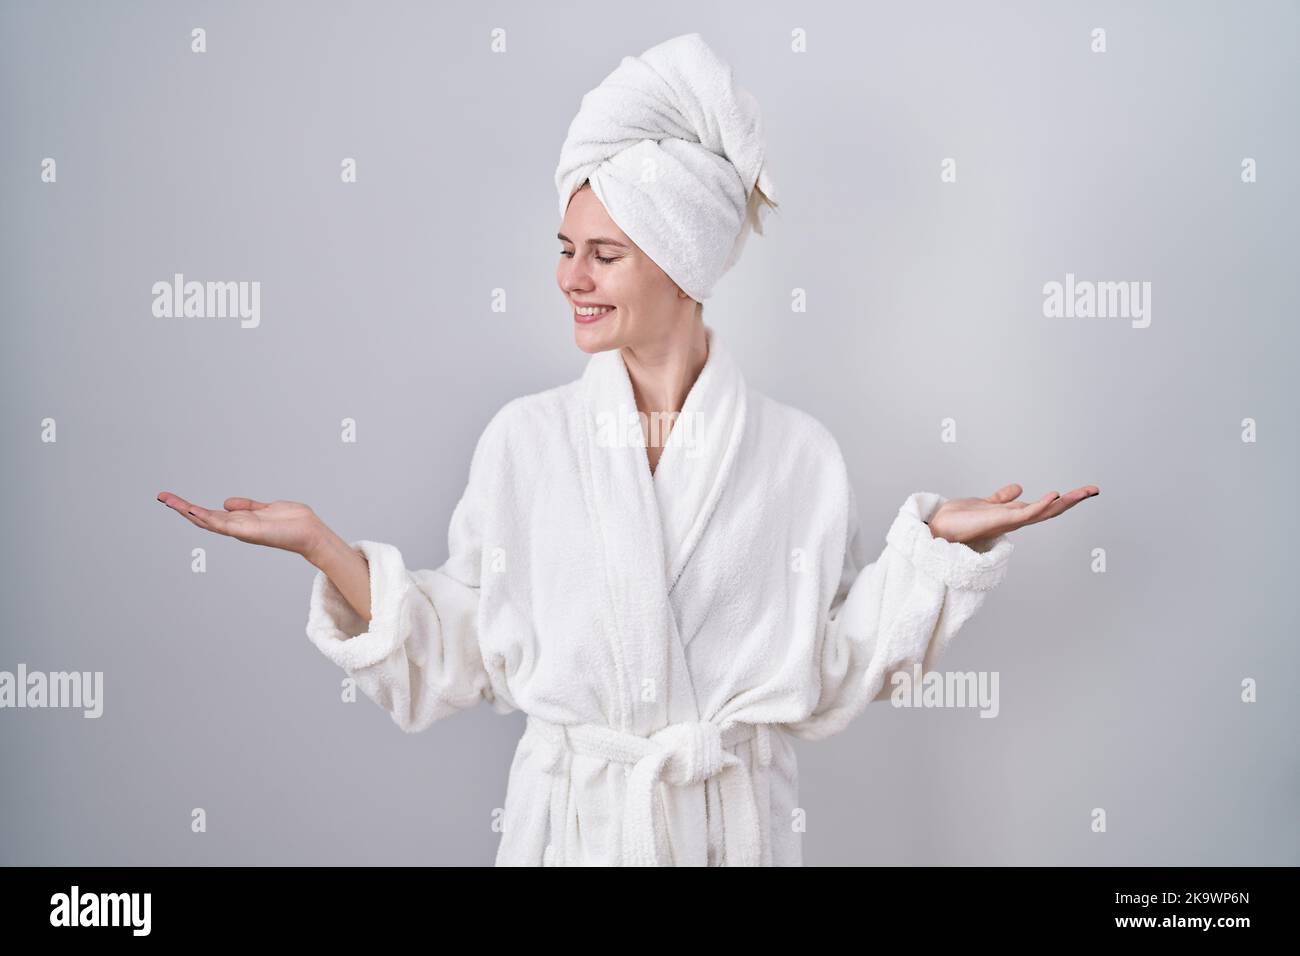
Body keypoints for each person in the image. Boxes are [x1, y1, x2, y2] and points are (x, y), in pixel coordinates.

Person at [157, 33, 1097, 866]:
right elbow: (461, 650)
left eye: (604, 254)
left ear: (681, 261)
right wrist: (328, 549)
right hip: (572, 837)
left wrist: (936, 551)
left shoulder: (797, 458)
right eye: (564, 248)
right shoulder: (525, 444)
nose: (570, 278)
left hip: (732, 839)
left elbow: (830, 671)